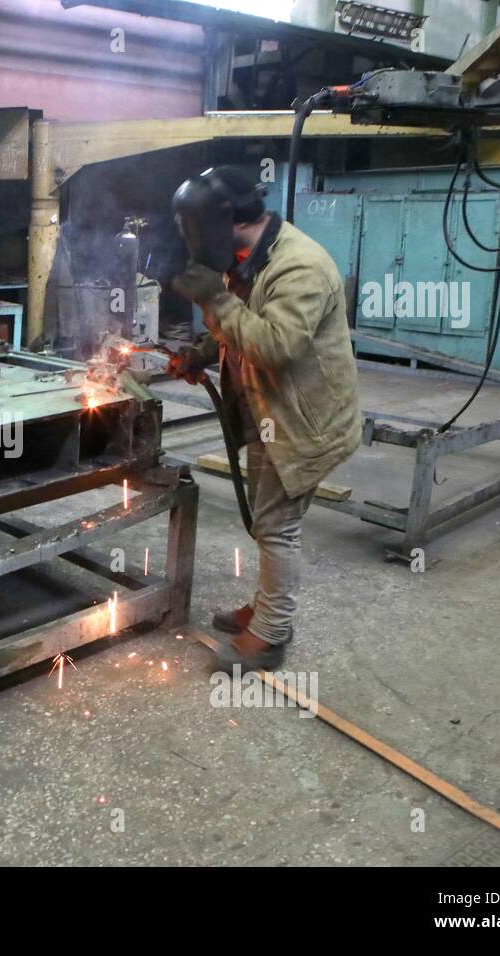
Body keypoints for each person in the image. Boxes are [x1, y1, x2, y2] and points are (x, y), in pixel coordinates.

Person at [169, 165, 361, 672]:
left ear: (219, 221)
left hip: (301, 421)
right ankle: (267, 608)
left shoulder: (299, 267)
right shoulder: (249, 256)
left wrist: (212, 298)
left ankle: (271, 634)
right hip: (268, 413)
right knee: (266, 523)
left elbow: (275, 345)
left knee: (276, 527)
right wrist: (203, 353)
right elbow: (245, 318)